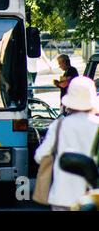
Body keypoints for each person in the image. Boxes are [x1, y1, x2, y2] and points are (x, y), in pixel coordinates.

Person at [34, 76, 99, 211]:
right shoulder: (97, 126)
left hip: (61, 197)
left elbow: (40, 156)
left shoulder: (58, 126)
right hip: (91, 199)